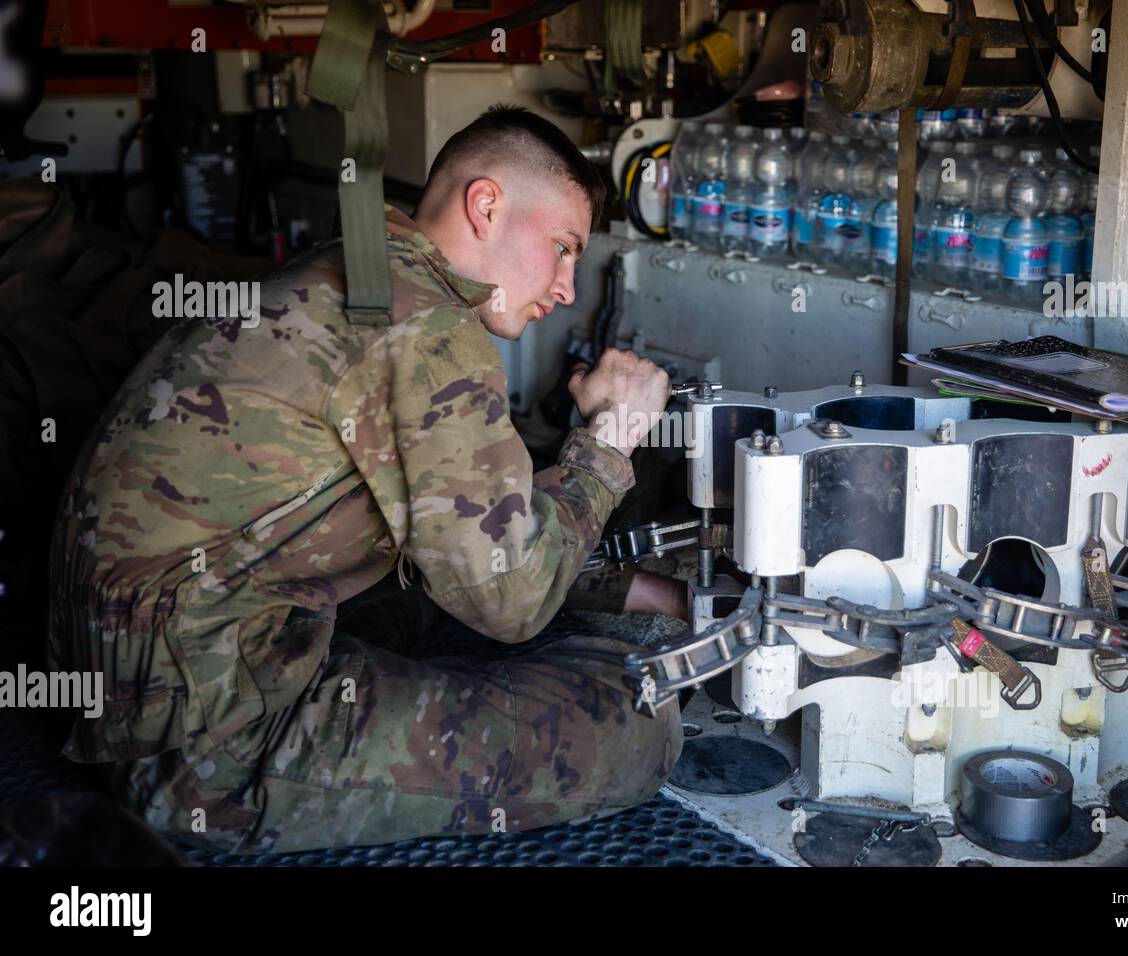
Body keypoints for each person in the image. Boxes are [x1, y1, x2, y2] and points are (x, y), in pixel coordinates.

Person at [46, 104, 684, 854]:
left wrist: (632, 587)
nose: (569, 287)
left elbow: (457, 527)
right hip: (209, 744)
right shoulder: (426, 328)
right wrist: (612, 439)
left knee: (434, 599)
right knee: (635, 720)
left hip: (140, 687)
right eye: (563, 248)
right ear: (486, 206)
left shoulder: (358, 273)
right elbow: (511, 602)